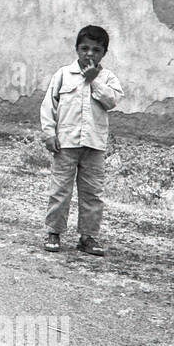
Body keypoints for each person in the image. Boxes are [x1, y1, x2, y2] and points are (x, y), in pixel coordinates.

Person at [40, 25, 124, 256]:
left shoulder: (108, 78)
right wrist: (49, 134)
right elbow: (49, 106)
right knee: (60, 190)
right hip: (66, 144)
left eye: (96, 50)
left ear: (103, 53)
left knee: (92, 194)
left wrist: (94, 80)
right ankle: (54, 233)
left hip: (94, 146)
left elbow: (111, 101)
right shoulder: (63, 75)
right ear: (77, 49)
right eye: (84, 48)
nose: (89, 54)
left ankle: (88, 237)